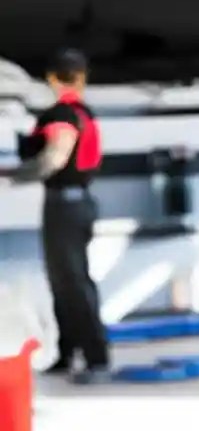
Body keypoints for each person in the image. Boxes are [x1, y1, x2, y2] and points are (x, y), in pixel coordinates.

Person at [1, 48, 111, 385]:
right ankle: (68, 352)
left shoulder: (62, 114)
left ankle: (95, 358)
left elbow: (54, 159)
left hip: (64, 207)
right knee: (65, 282)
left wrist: (14, 174)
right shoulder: (83, 112)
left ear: (51, 78)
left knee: (72, 283)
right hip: (78, 204)